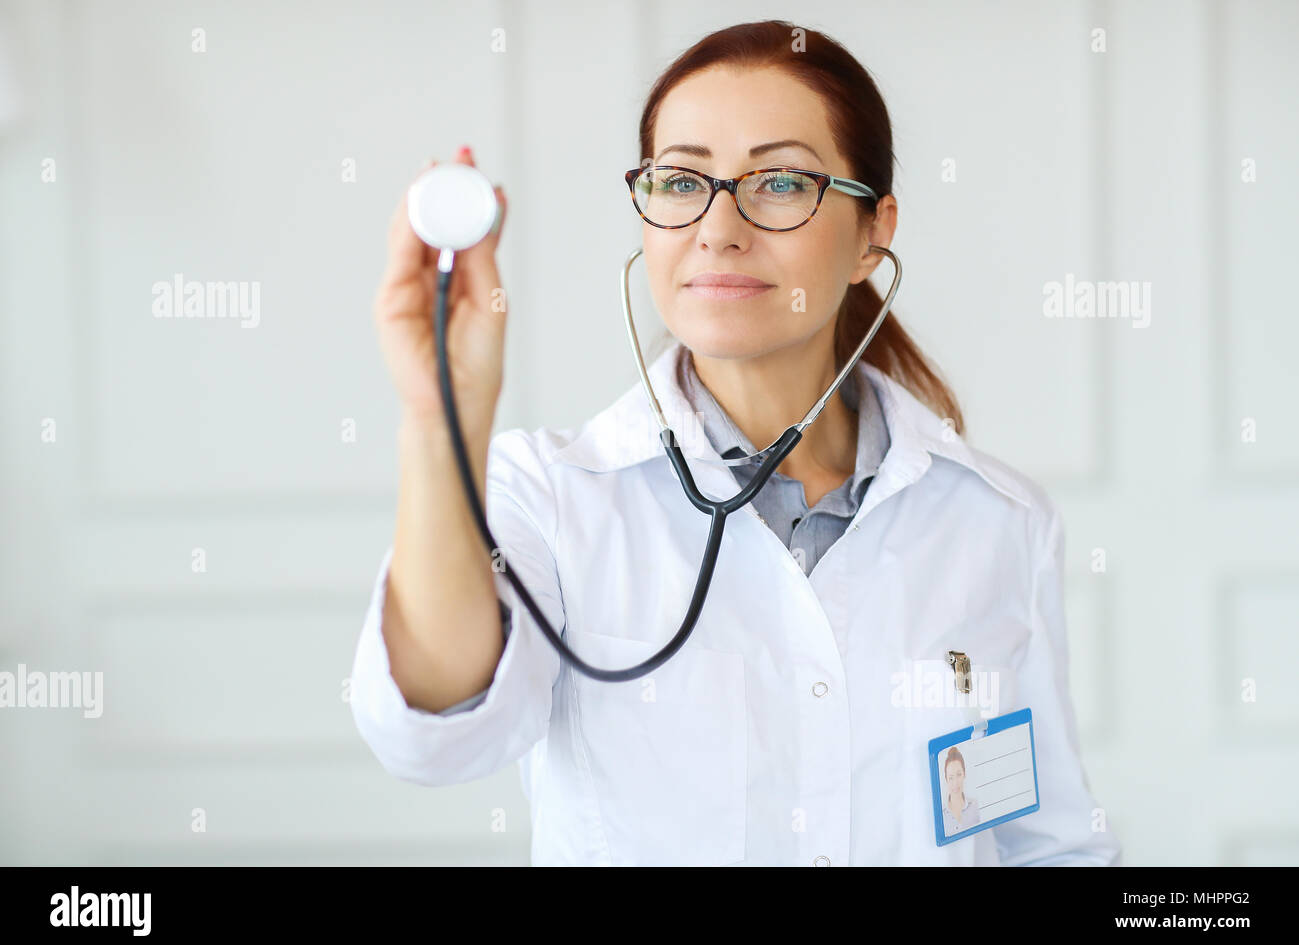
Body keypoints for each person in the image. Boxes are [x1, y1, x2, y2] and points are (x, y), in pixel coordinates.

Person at [349, 19, 1122, 867]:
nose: (718, 228)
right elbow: (430, 732)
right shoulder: (549, 494)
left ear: (874, 233)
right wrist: (439, 420)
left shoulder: (994, 522)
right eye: (681, 181)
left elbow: (1034, 842)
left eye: (782, 181)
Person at [942, 747, 981, 836]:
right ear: (946, 779)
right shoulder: (942, 814)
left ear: (964, 774)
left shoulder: (975, 806)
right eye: (951, 778)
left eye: (959, 775)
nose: (955, 782)